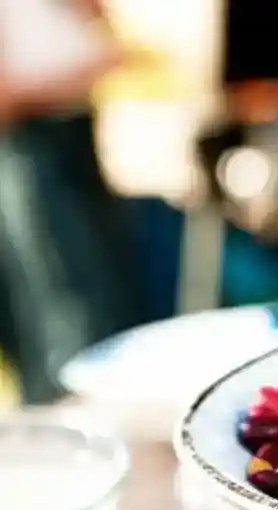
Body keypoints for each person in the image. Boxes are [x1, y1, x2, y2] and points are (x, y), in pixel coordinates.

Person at [0, 0, 143, 403]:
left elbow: (101, 28)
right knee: (67, 295)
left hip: (72, 128)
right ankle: (71, 414)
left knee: (100, 280)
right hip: (30, 143)